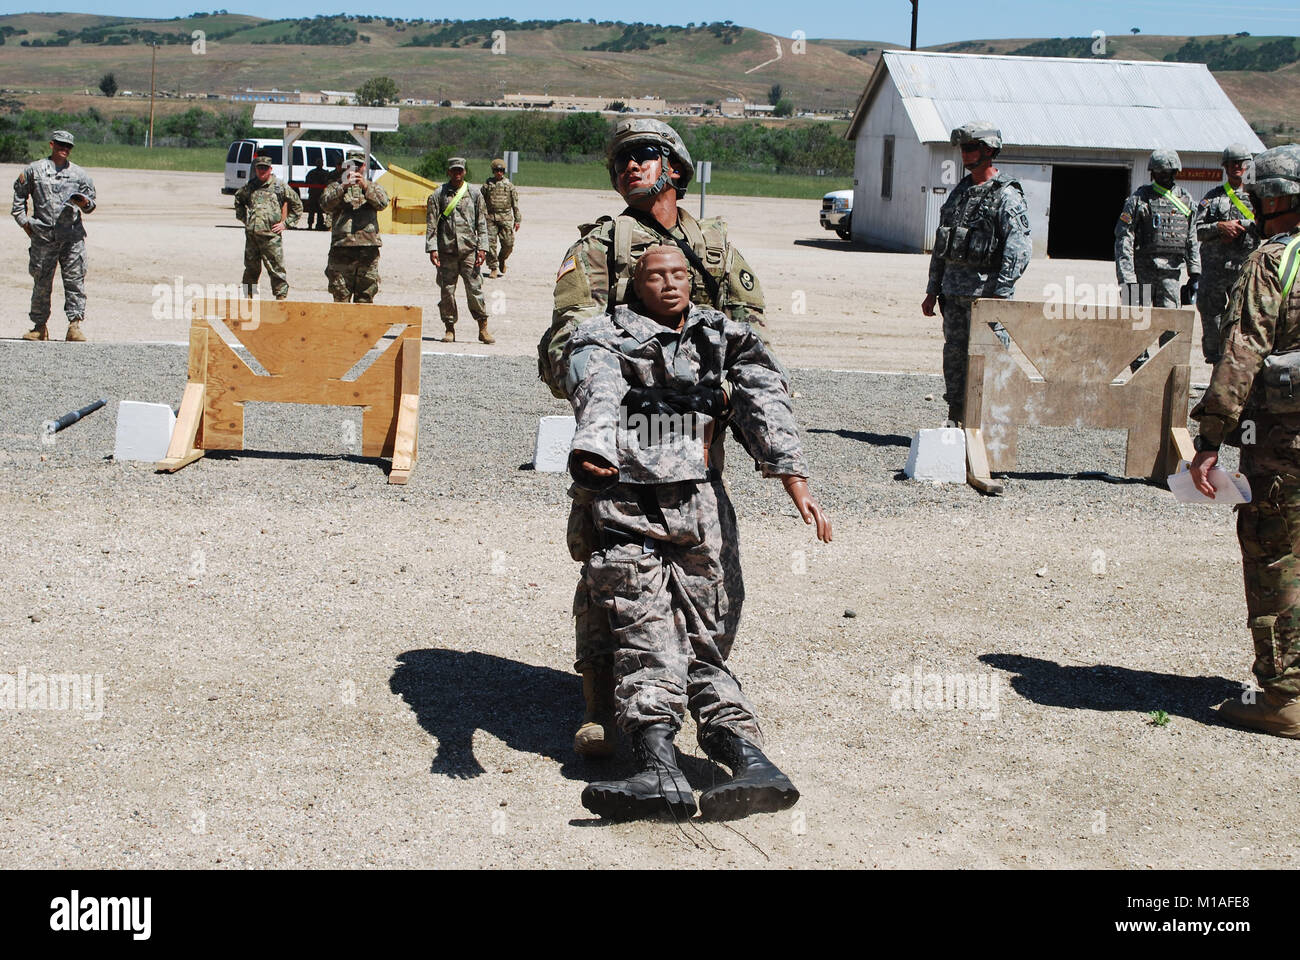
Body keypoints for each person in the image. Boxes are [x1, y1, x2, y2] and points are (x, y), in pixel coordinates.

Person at [565, 245, 832, 820]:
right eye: (655, 276)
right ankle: (655, 763)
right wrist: (593, 446)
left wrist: (792, 475)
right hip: (626, 509)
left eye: (680, 274)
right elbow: (597, 390)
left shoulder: (724, 336)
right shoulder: (603, 334)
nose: (669, 284)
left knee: (708, 643)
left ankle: (748, 758)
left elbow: (764, 396)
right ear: (634, 285)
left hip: (702, 509)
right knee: (646, 635)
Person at [537, 116, 767, 760]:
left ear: (674, 167)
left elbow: (750, 332)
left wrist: (739, 400)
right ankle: (601, 705)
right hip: (621, 441)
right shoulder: (599, 246)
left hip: (695, 443)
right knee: (609, 571)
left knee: (713, 577)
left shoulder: (712, 247)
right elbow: (570, 335)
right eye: (621, 161)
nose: (629, 167)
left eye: (643, 155)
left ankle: (698, 695)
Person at [1188, 143, 1300, 738]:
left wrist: (1211, 437)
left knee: (1275, 557)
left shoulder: (1273, 262)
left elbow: (1242, 356)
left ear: (1274, 199)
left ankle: (1283, 697)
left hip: (1283, 444)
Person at [920, 121, 1032, 426]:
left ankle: (987, 428)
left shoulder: (1006, 195)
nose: (964, 154)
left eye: (970, 148)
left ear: (988, 150)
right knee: (954, 361)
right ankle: (956, 419)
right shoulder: (961, 192)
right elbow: (943, 242)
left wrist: (1002, 292)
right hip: (953, 298)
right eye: (962, 148)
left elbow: (1019, 248)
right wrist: (932, 289)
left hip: (985, 298)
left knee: (990, 363)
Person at [12, 130, 97, 341]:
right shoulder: (34, 170)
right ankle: (39, 327)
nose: (64, 149)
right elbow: (18, 202)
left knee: (75, 281)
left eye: (68, 147)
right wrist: (27, 226)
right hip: (43, 237)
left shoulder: (80, 175)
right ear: (52, 144)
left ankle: (74, 326)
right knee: (41, 283)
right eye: (60, 145)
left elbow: (91, 204)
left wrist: (84, 203)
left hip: (72, 238)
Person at [1193, 144, 1260, 364]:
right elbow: (1198, 231)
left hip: (1244, 270)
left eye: (1240, 163)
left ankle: (1237, 365)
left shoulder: (1257, 196)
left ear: (1247, 166)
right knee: (1211, 317)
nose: (1236, 167)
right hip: (1214, 273)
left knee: (1244, 320)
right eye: (1231, 163)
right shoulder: (1212, 198)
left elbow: (1268, 226)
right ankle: (1215, 362)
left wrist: (1241, 224)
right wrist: (1219, 227)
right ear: (1224, 167)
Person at [1115, 149, 1200, 310]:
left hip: (1171, 274)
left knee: (1171, 328)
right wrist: (1127, 278)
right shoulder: (1139, 199)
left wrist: (1195, 272)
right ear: (1152, 172)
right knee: (1134, 325)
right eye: (1159, 171)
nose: (1163, 175)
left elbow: (1191, 237)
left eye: (1168, 172)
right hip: (1141, 273)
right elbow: (1124, 238)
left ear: (1175, 171)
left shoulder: (1185, 199)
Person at [425, 157, 493, 343]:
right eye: (454, 170)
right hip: (447, 251)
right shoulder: (438, 194)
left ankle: (483, 327)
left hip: (469, 250)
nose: (457, 174)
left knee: (475, 290)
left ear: (464, 172)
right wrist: (432, 249)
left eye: (460, 171)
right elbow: (431, 224)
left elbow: (482, 223)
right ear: (448, 172)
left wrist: (483, 248)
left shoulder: (474, 193)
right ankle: (449, 328)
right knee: (447, 291)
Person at [320, 149, 389, 303]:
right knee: (340, 295)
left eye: (358, 166)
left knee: (365, 297)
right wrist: (343, 186)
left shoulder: (373, 186)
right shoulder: (335, 186)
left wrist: (365, 187)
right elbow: (325, 204)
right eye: (350, 166)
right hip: (341, 250)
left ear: (364, 167)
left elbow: (383, 203)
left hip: (367, 251)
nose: (354, 169)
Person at [233, 152, 301, 301]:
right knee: (251, 269)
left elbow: (297, 205)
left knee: (276, 269)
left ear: (270, 169)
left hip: (271, 237)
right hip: (252, 237)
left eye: (265, 168)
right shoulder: (251, 186)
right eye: (259, 168)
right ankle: (248, 297)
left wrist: (286, 223)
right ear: (256, 169)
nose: (261, 171)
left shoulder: (279, 186)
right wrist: (245, 219)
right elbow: (238, 199)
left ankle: (281, 298)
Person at [481, 158, 521, 278]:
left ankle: (502, 259)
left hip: (506, 218)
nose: (499, 173)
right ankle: (493, 267)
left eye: (501, 170)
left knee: (508, 243)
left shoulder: (509, 186)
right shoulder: (487, 185)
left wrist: (517, 220)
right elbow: (480, 201)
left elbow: (515, 204)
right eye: (497, 170)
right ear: (493, 171)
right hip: (490, 218)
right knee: (490, 244)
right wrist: (481, 216)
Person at [304, 162, 329, 231]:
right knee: (312, 210)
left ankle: (319, 225)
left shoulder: (325, 173)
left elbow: (327, 182)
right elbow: (307, 182)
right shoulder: (312, 172)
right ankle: (310, 225)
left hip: (321, 194)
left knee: (320, 211)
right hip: (313, 194)